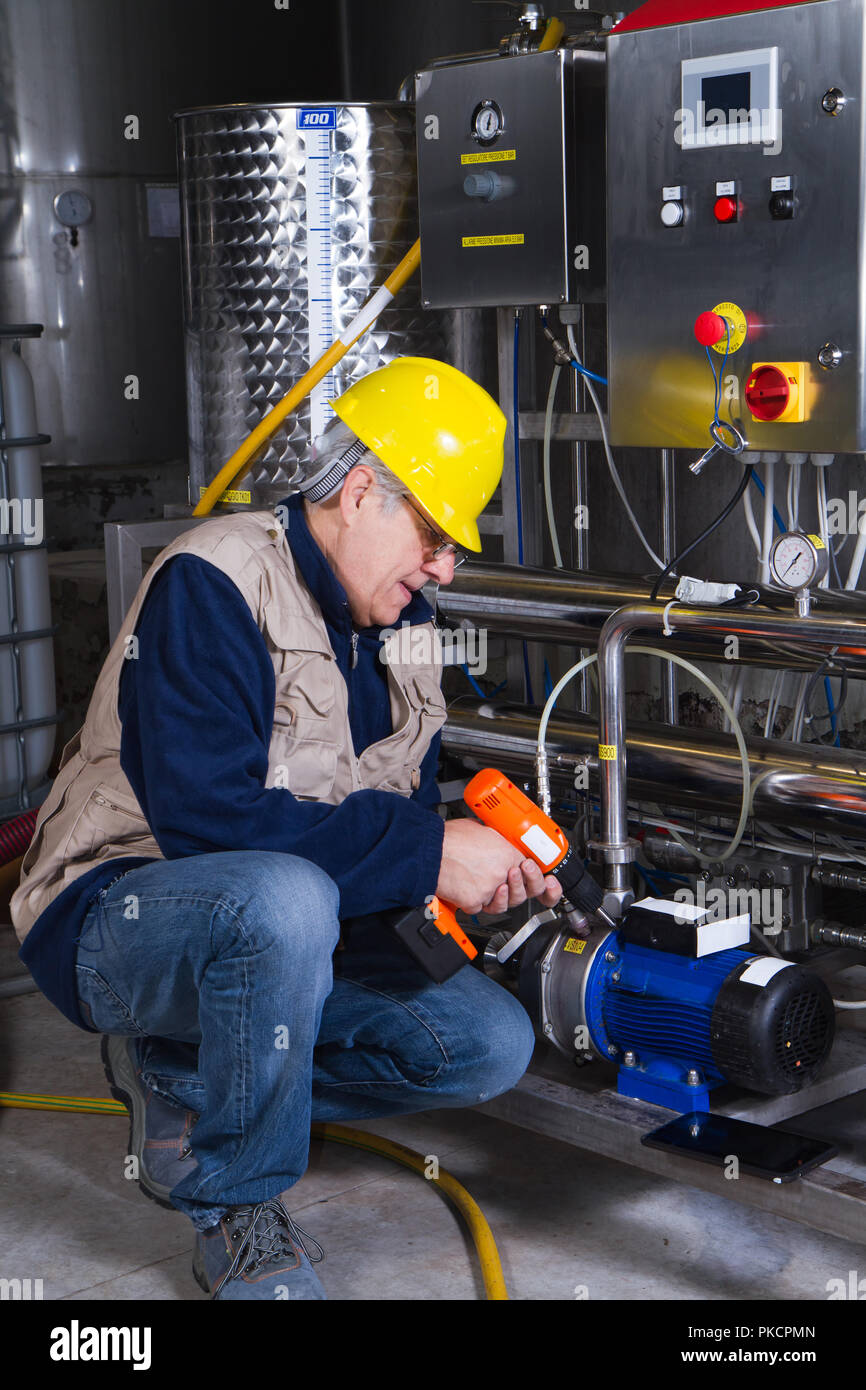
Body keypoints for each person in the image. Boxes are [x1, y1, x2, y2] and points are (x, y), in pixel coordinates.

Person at [11, 356, 561, 1301]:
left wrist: (464, 880)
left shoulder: (403, 625)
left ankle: (183, 1077)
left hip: (282, 929)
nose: (444, 568)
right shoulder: (212, 581)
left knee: (484, 1044)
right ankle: (238, 1207)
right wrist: (432, 852)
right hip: (119, 911)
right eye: (434, 535)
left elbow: (382, 825)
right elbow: (207, 819)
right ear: (359, 494)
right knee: (282, 893)